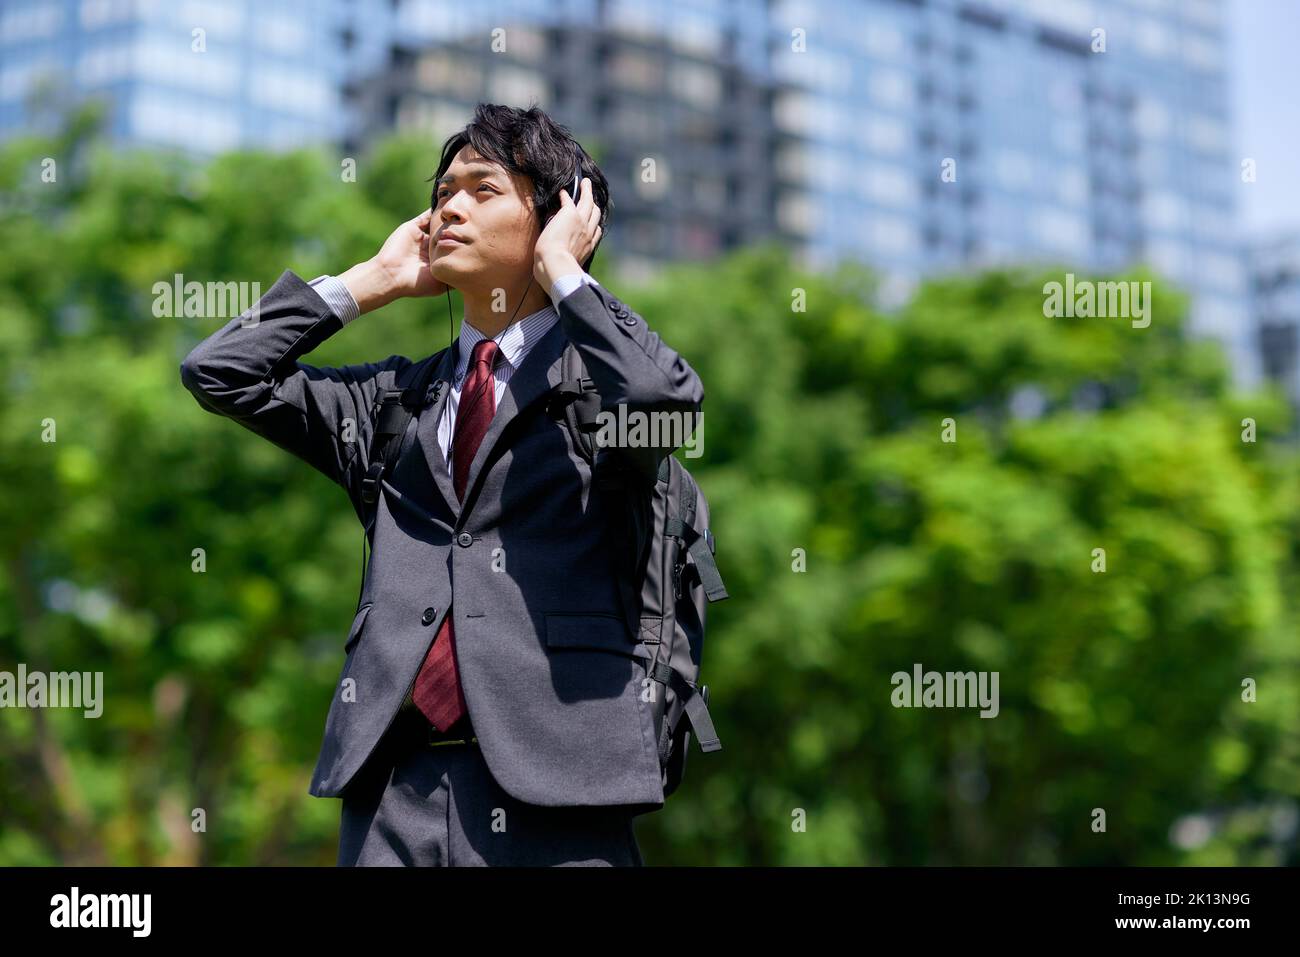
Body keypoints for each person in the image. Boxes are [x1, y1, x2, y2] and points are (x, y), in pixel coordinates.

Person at [179, 103, 704, 865]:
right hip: (391, 791)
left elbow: (664, 405)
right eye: (442, 191)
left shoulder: (598, 391)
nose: (448, 206)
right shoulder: (389, 401)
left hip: (560, 786)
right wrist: (370, 281)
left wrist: (563, 276)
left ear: (559, 215)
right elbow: (218, 372)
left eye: (483, 189)